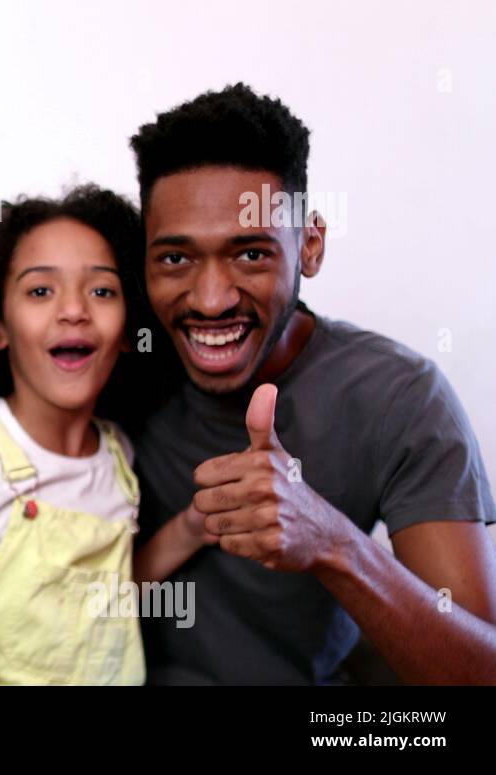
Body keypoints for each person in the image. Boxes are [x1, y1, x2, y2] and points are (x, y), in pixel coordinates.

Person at [130, 83, 496, 684]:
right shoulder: (113, 361)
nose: (212, 299)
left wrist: (333, 543)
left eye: (250, 254)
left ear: (310, 245)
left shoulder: (399, 396)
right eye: (175, 259)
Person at [0, 187, 211, 685]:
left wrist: (192, 528)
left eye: (102, 291)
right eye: (40, 291)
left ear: (127, 330)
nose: (74, 310)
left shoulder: (118, 453)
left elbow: (105, 600)